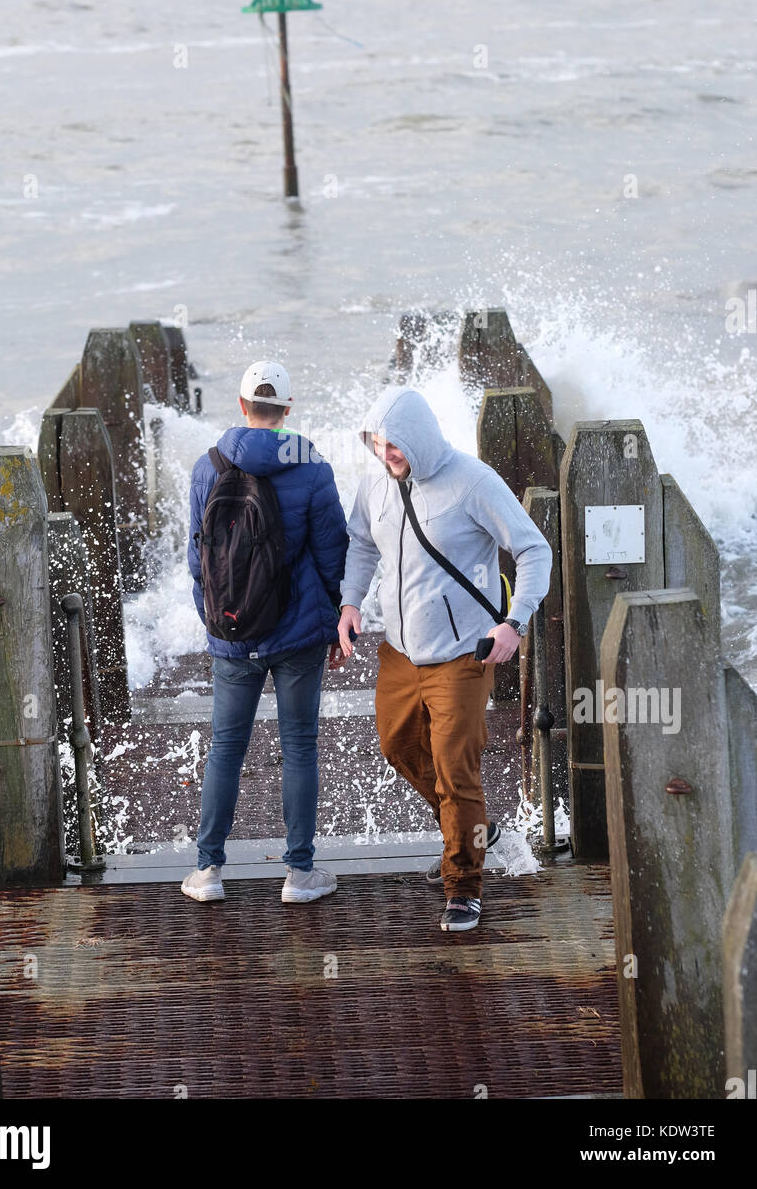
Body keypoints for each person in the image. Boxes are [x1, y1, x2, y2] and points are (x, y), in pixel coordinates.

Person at [331, 386, 551, 933]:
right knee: (398, 746)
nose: (387, 455)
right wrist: (351, 602)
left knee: (456, 770)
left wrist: (514, 622)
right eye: (378, 444)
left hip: (462, 654)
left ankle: (463, 886)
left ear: (420, 438)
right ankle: (477, 833)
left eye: (395, 445)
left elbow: (533, 549)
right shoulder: (374, 485)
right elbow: (360, 543)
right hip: (401, 652)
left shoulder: (472, 482)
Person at [182, 360, 349, 905]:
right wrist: (330, 620)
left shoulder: (208, 467)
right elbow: (332, 555)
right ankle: (299, 874)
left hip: (232, 633)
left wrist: (217, 616)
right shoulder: (313, 467)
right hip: (297, 634)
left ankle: (208, 871)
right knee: (299, 745)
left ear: (242, 407)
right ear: (286, 413)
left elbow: (195, 556)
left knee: (226, 748)